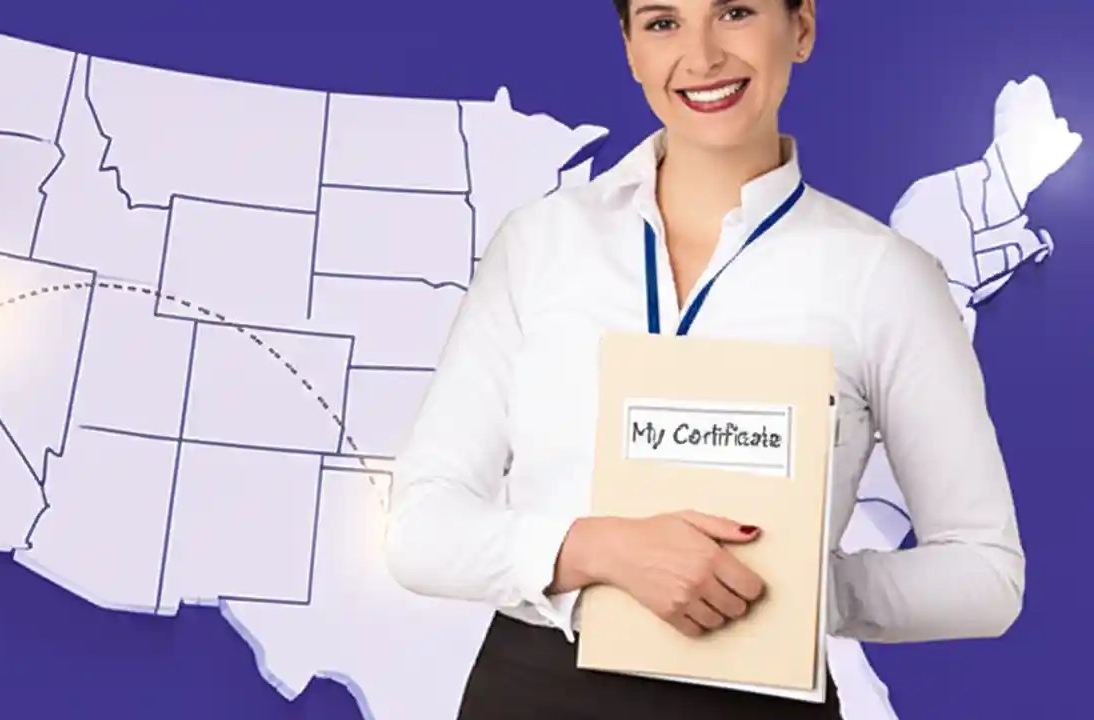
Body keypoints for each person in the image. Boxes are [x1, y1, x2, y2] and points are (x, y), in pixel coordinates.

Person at [382, 1, 1026, 718]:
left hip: (766, 694)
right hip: (534, 690)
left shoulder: (887, 276)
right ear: (629, 48)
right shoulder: (540, 245)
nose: (703, 54)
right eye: (663, 22)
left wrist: (800, 587)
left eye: (736, 12)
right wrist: (593, 549)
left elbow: (986, 573)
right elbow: (420, 527)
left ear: (802, 28)